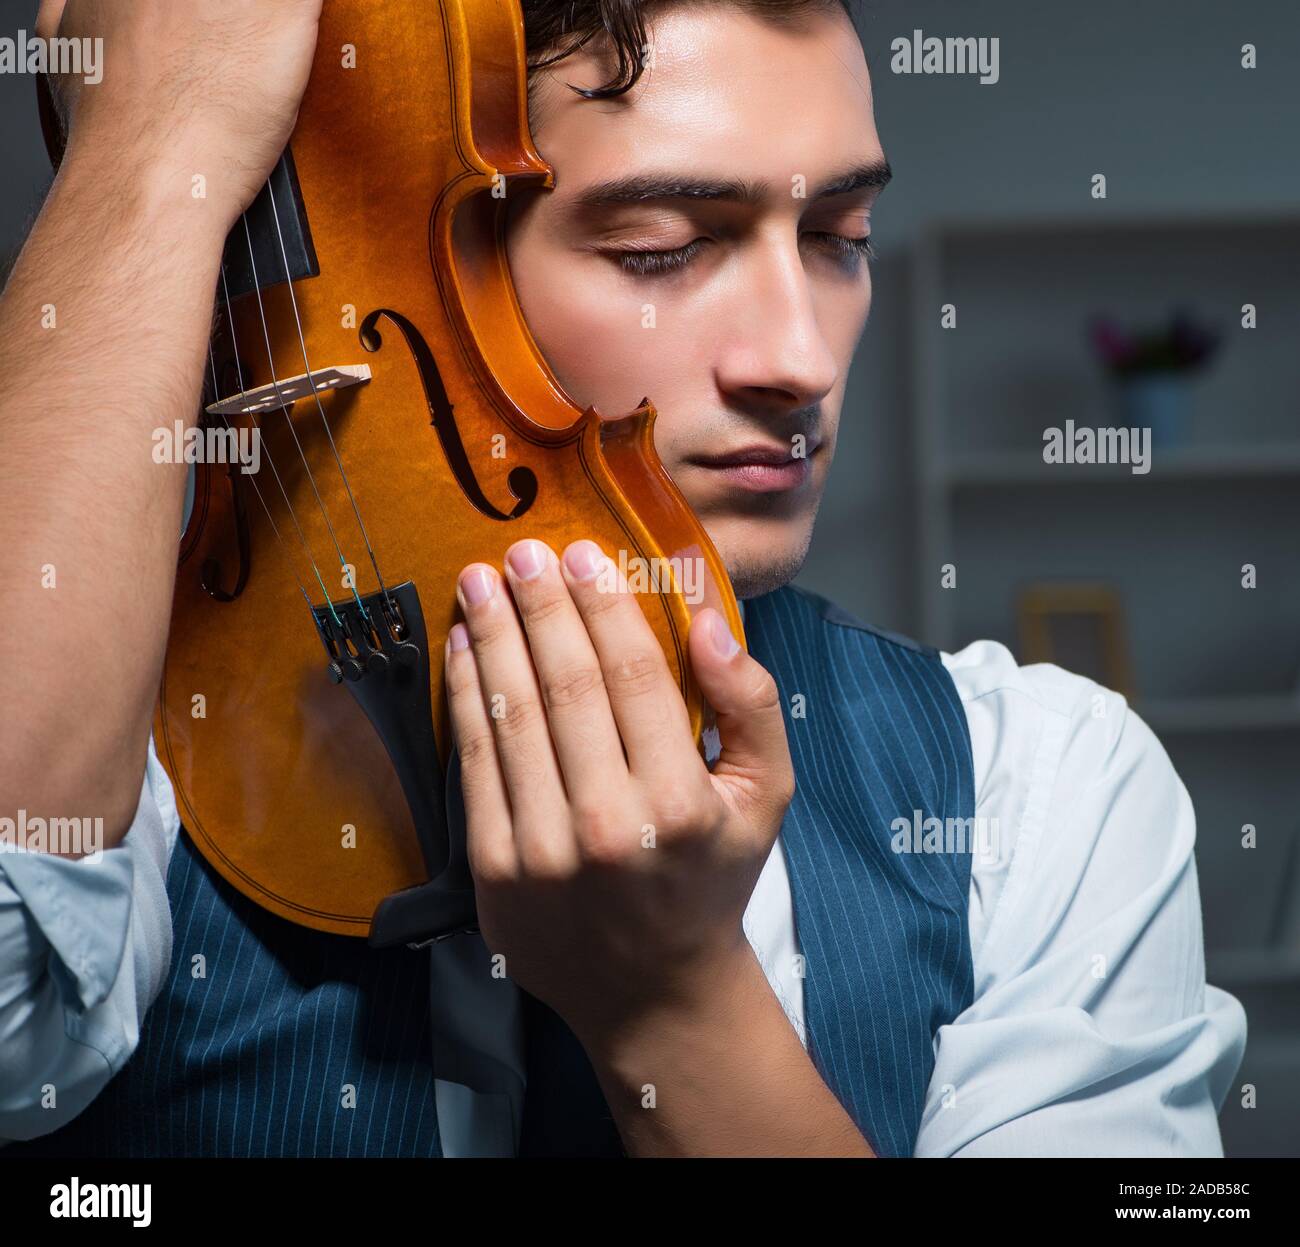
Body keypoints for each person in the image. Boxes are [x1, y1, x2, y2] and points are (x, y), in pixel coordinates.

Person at [0, 0, 1244, 1157]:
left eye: (839, 238)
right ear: (394, 259)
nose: (799, 359)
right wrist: (156, 157)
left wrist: (672, 1004)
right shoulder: (120, 777)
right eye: (659, 249)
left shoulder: (1045, 782)